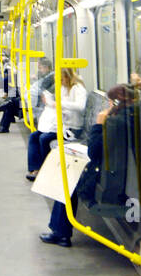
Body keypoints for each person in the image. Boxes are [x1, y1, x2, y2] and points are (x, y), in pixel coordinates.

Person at [39, 83, 133, 247]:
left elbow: (94, 151)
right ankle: (59, 231)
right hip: (111, 170)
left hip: (104, 178)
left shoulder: (113, 123)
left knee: (67, 181)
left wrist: (98, 124)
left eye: (110, 102)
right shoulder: (129, 118)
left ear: (116, 104)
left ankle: (61, 233)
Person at [26, 66, 85, 180]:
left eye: (62, 80)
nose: (60, 83)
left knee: (44, 138)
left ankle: (47, 169)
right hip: (62, 124)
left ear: (68, 77)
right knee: (34, 136)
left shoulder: (78, 88)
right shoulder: (64, 87)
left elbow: (80, 106)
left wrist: (59, 105)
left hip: (72, 128)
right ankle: (35, 168)